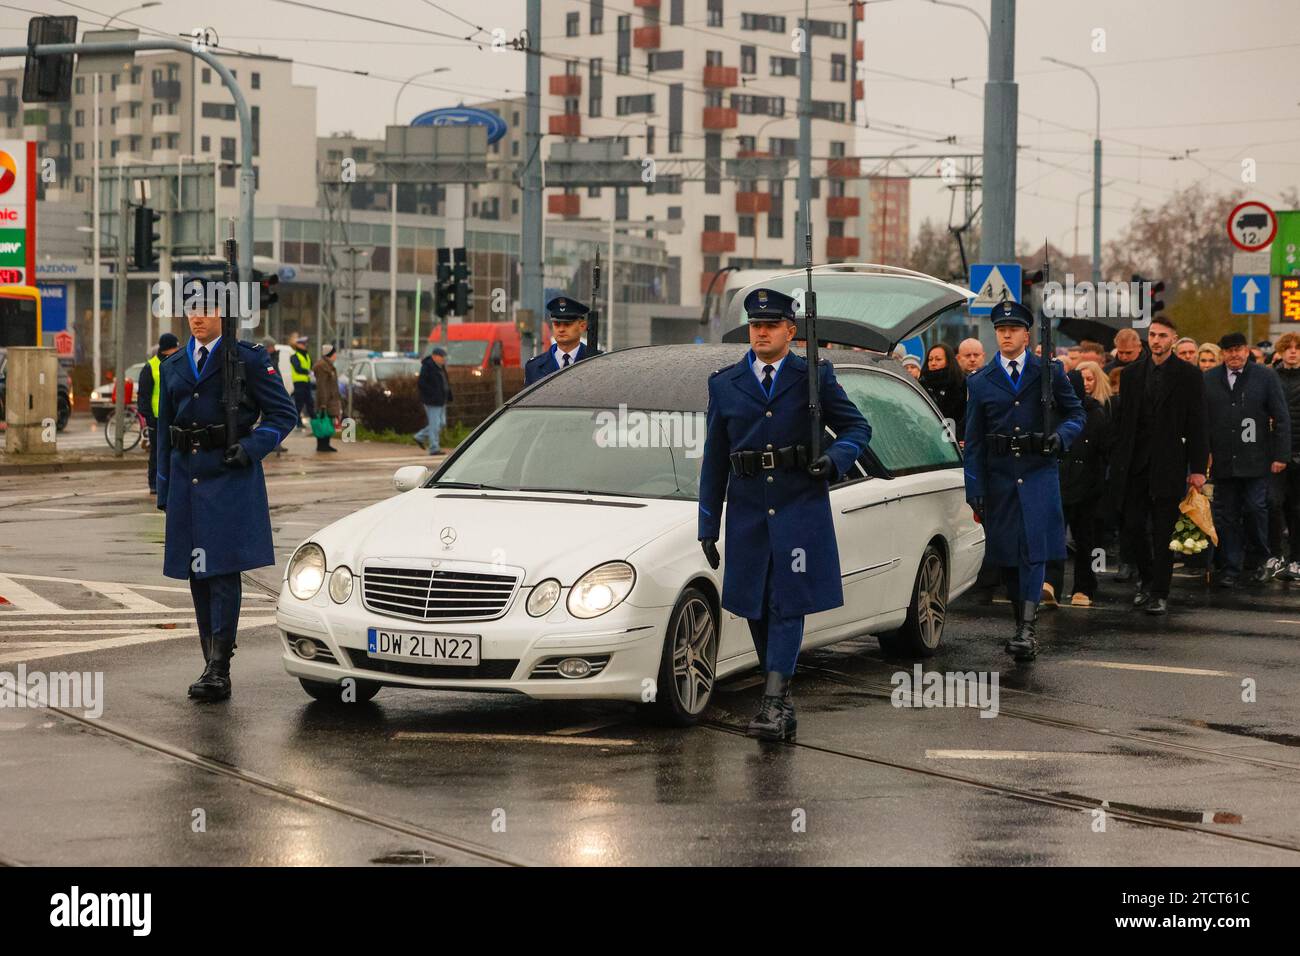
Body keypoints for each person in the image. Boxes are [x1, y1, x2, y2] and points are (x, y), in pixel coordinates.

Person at [698, 288, 872, 741]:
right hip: (749, 512)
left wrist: (835, 458)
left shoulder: (814, 376)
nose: (761, 332)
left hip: (799, 506)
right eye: (755, 326)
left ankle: (773, 702)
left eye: (771, 325)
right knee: (755, 605)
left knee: (786, 601)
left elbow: (857, 426)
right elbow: (714, 458)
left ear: (790, 331)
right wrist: (707, 525)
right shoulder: (725, 384)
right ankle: (782, 700)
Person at [155, 306, 299, 702]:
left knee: (221, 572)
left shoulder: (247, 357)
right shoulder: (174, 365)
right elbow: (165, 433)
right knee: (196, 573)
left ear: (224, 313)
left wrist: (251, 448)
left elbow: (284, 414)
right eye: (191, 311)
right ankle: (209, 660)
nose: (197, 319)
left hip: (228, 475)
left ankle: (219, 667)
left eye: (206, 310)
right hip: (187, 479)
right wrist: (163, 489)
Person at [963, 300, 1086, 660]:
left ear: (1026, 334)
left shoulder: (1048, 372)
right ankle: (1021, 621)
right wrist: (975, 489)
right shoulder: (982, 381)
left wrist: (1060, 436)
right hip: (1000, 479)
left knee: (1034, 553)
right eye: (1001, 330)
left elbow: (1076, 413)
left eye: (1013, 329)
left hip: (1037, 473)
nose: (1005, 335)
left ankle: (1027, 631)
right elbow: (974, 442)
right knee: (1009, 560)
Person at [1108, 316, 1209, 615]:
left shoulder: (1189, 375)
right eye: (1152, 334)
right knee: (1133, 526)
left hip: (1169, 462)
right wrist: (1117, 460)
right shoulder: (1132, 373)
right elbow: (1124, 421)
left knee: (1165, 531)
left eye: (1162, 335)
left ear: (1173, 339)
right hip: (1135, 463)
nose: (1156, 340)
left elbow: (1198, 423)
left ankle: (1160, 592)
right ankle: (1147, 578)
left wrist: (1198, 468)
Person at [1204, 332, 1291, 588]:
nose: (1234, 354)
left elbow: (1281, 417)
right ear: (1223, 353)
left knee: (1256, 509)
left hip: (1257, 459)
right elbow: (1202, 420)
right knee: (1227, 515)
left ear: (1246, 350)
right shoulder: (1209, 379)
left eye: (1239, 349)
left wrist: (1281, 455)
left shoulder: (1265, 376)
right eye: (1229, 350)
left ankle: (1263, 559)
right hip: (1223, 461)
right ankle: (1232, 567)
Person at [1046, 360, 1114, 606]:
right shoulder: (1052, 412)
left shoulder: (1095, 413)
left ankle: (1084, 588)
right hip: (1058, 484)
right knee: (1054, 538)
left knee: (1085, 540)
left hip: (1088, 488)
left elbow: (1105, 450)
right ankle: (1050, 584)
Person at [1271, 332, 1300, 581]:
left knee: (1297, 509)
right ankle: (1277, 556)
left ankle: (1296, 560)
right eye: (1287, 348)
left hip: (1299, 450)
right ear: (1280, 351)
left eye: (1297, 348)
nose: (1293, 352)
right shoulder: (1270, 376)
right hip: (1276, 453)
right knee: (1273, 505)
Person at [138, 332, 180, 494]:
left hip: (175, 418)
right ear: (166, 349)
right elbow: (144, 395)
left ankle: (171, 482)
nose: (177, 350)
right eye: (174, 347)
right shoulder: (151, 367)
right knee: (157, 453)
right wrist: (149, 417)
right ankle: (154, 483)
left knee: (174, 453)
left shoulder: (176, 363)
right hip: (156, 419)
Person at [524, 297, 603, 385]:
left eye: (567, 324)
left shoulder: (597, 362)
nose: (561, 329)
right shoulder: (534, 367)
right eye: (557, 324)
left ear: (582, 326)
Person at [920, 343, 967, 441]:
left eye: (938, 359)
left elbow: (966, 417)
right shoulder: (921, 384)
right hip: (926, 439)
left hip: (953, 441)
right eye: (930, 359)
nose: (933, 363)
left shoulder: (961, 384)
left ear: (948, 361)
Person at [415, 346, 453, 455]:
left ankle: (420, 437)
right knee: (435, 425)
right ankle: (434, 448)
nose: (443, 359)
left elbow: (445, 382)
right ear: (434, 356)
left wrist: (448, 394)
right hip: (433, 401)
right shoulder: (428, 366)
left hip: (441, 400)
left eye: (444, 357)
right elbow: (422, 383)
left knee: (441, 423)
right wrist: (432, 394)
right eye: (442, 356)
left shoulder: (440, 367)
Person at [311, 344, 342, 453]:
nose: (336, 355)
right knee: (323, 421)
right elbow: (322, 386)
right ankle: (322, 445)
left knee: (328, 421)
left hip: (330, 398)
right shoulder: (322, 366)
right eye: (334, 353)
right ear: (330, 354)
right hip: (325, 399)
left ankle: (326, 444)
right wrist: (323, 403)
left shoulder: (329, 365)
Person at [289, 334, 314, 428]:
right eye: (303, 344)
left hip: (307, 382)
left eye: (305, 344)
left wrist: (310, 371)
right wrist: (307, 371)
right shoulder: (294, 356)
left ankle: (314, 422)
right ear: (298, 345)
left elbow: (311, 365)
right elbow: (297, 368)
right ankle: (298, 423)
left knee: (310, 403)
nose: (305, 345)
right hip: (299, 383)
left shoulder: (307, 355)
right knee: (299, 404)